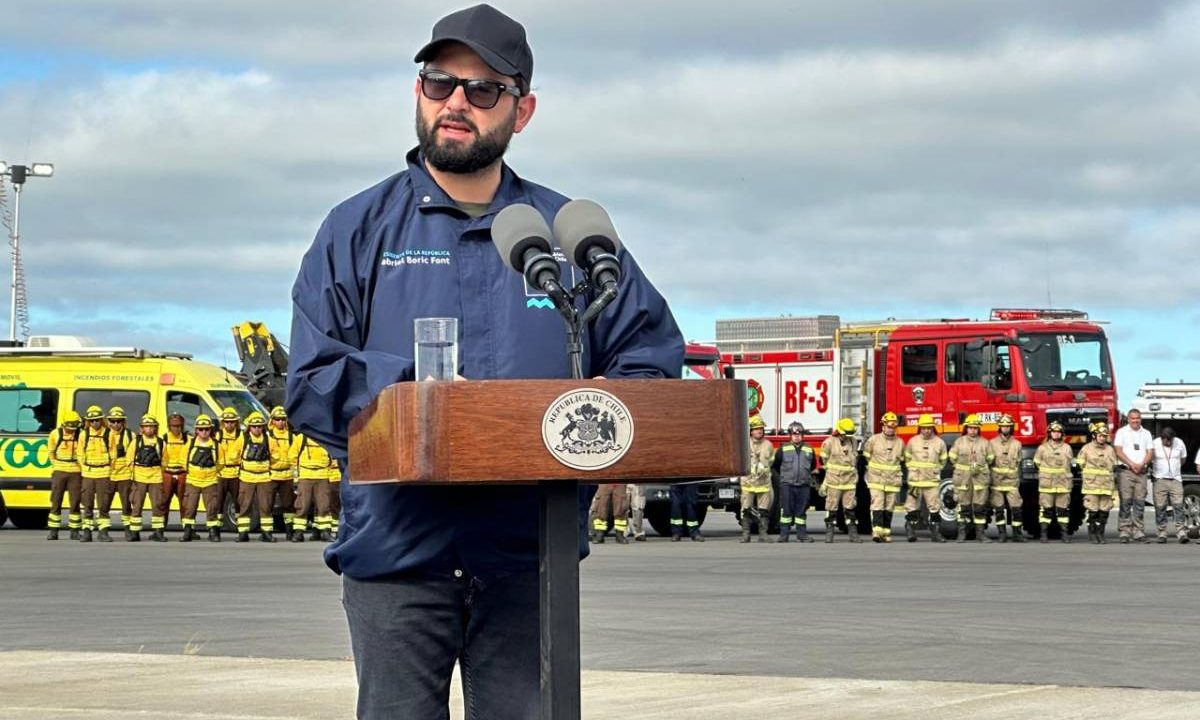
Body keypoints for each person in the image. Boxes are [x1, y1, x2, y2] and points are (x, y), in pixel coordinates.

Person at [285, 5, 683, 717]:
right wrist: (419, 399)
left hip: (530, 561)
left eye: (483, 89)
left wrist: (585, 417)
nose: (457, 103)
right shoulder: (356, 230)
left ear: (522, 110)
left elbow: (649, 359)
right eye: (440, 83)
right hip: (397, 562)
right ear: (418, 94)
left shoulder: (569, 235)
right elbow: (312, 383)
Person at [903, 414, 947, 542]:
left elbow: (943, 461)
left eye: (929, 428)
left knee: (934, 507)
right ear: (920, 428)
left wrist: (934, 471)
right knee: (912, 506)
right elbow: (907, 458)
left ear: (933, 428)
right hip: (915, 481)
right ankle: (910, 531)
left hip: (931, 481)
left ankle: (936, 533)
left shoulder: (940, 442)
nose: (927, 430)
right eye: (924, 428)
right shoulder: (913, 441)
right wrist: (913, 470)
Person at [949, 414, 993, 542]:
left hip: (979, 479)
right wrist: (962, 467)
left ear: (979, 429)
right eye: (970, 428)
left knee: (980, 508)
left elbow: (990, 459)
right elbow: (952, 457)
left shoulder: (985, 443)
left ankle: (981, 534)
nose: (973, 430)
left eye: (975, 428)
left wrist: (979, 466)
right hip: (963, 479)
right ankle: (962, 534)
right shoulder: (959, 442)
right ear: (966, 428)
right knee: (963, 507)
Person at [1114, 409, 1153, 543]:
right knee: (1125, 502)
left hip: (1141, 472)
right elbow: (1118, 451)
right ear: (1128, 419)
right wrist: (1131, 464)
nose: (1135, 421)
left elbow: (1150, 452)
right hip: (1126, 472)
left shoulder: (1146, 433)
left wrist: (1142, 464)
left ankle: (1138, 531)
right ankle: (1124, 531)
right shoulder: (1122, 432)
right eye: (1133, 418)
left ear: (1140, 419)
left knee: (1139, 503)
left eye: (1138, 418)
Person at [862, 413, 902, 543]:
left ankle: (886, 532)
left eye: (893, 427)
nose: (891, 429)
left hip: (892, 480)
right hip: (876, 480)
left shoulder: (900, 442)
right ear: (883, 426)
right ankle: (876, 532)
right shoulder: (874, 440)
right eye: (888, 426)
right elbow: (867, 456)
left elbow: (901, 459)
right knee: (877, 505)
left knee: (889, 507)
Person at [180, 414, 222, 542]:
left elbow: (221, 463)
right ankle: (188, 531)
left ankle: (213, 532)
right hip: (193, 480)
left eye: (207, 429)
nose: (204, 432)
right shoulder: (190, 443)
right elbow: (183, 461)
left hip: (210, 481)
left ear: (211, 430)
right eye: (201, 429)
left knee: (212, 508)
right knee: (190, 507)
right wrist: (194, 471)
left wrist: (210, 472)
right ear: (196, 430)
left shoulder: (216, 445)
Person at [236, 412, 275, 543]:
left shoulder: (269, 439)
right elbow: (235, 455)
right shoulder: (243, 438)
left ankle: (267, 532)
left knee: (265, 506)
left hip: (264, 478)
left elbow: (276, 456)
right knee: (245, 505)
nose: (257, 429)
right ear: (249, 427)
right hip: (247, 477)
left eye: (259, 426)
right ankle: (243, 533)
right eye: (254, 426)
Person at [773, 421, 816, 542]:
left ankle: (802, 535)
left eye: (799, 434)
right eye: (794, 434)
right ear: (790, 435)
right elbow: (776, 465)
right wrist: (785, 478)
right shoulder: (783, 449)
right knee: (786, 511)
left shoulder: (809, 449)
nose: (797, 436)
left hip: (804, 485)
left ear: (803, 435)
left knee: (801, 511)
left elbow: (812, 466)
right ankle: (784, 535)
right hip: (787, 485)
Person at [820, 417, 861, 543]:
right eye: (844, 434)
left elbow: (855, 458)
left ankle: (853, 534)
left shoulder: (853, 441)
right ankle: (829, 532)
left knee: (850, 508)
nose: (846, 437)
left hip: (849, 480)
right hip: (834, 480)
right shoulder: (829, 442)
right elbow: (824, 461)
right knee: (831, 507)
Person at [289, 432, 335, 543]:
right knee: (302, 506)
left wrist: (329, 474)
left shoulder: (326, 438)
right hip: (305, 476)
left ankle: (325, 532)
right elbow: (292, 457)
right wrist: (296, 478)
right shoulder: (302, 438)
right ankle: (298, 533)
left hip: (323, 476)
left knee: (324, 506)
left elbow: (333, 458)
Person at [1077, 422, 1118, 544]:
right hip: (1092, 486)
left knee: (1104, 513)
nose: (1102, 438)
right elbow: (1081, 464)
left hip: (1105, 486)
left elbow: (1114, 465)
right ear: (1094, 436)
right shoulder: (1086, 449)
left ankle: (1101, 533)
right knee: (1093, 512)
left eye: (1104, 436)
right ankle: (1092, 534)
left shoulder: (1110, 450)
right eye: (1100, 435)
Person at [1034, 421, 1075, 543]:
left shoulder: (1067, 448)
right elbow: (1036, 463)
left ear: (1062, 434)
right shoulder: (1042, 448)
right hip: (1047, 485)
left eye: (1058, 432)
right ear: (1049, 433)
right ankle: (1044, 534)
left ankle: (1064, 534)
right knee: (1046, 510)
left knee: (1063, 511)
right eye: (1054, 432)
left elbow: (1071, 464)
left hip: (1063, 484)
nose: (1056, 434)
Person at [45, 411, 83, 540]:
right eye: (69, 428)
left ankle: (75, 531)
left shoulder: (81, 434)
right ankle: (53, 531)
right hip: (60, 470)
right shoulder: (55, 434)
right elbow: (51, 452)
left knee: (75, 502)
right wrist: (56, 465)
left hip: (76, 471)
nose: (71, 430)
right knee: (56, 501)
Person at [78, 405, 112, 542]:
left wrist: (108, 468)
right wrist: (85, 467)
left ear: (101, 420)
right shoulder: (84, 435)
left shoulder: (109, 434)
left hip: (104, 473)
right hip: (88, 473)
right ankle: (87, 532)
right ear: (88, 422)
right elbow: (80, 454)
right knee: (87, 504)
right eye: (92, 421)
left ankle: (103, 532)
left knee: (103, 505)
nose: (95, 423)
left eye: (97, 420)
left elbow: (114, 454)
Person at [129, 415, 166, 541]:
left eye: (151, 427)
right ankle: (134, 532)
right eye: (146, 427)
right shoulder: (136, 442)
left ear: (155, 428)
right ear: (142, 428)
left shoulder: (161, 442)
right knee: (137, 505)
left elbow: (164, 462)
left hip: (155, 477)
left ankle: (158, 532)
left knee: (157, 505)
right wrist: (132, 477)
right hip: (139, 477)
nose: (149, 429)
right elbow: (129, 460)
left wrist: (158, 473)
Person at [988, 414, 1024, 542]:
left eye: (1008, 426)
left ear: (1011, 427)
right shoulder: (992, 443)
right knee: (999, 510)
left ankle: (1017, 534)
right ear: (999, 427)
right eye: (1003, 426)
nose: (1005, 428)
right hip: (996, 482)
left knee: (1017, 509)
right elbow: (989, 462)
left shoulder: (1017, 444)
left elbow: (1019, 462)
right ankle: (1001, 534)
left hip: (1012, 482)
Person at [741, 415, 776, 543]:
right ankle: (746, 534)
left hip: (763, 483)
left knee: (764, 510)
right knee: (746, 509)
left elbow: (771, 461)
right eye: (756, 429)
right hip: (748, 482)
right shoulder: (744, 444)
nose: (759, 431)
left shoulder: (768, 445)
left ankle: (763, 534)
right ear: (751, 431)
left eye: (761, 429)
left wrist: (764, 469)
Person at [1151, 427, 1188, 543]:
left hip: (1175, 479)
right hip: (1160, 479)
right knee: (1160, 507)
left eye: (1169, 441)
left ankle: (1181, 532)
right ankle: (1162, 533)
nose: (1167, 443)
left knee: (1178, 506)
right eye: (1165, 441)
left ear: (1173, 438)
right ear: (1161, 438)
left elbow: (1183, 459)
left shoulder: (1179, 443)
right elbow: (1150, 458)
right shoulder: (1155, 443)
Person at [106, 407, 136, 540]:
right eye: (113, 421)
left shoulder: (131, 435)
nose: (116, 424)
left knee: (126, 504)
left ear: (123, 422)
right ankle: (103, 531)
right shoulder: (104, 435)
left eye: (119, 421)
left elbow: (134, 455)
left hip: (124, 475)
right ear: (108, 422)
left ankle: (128, 529)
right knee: (104, 504)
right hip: (108, 475)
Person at [267, 406, 297, 539]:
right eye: (277, 419)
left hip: (287, 475)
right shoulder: (267, 436)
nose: (280, 422)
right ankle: (266, 531)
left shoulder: (292, 437)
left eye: (282, 419)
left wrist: (296, 476)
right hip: (271, 475)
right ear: (272, 421)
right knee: (267, 504)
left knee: (288, 505)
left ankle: (289, 530)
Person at [216, 407, 245, 531]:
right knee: (219, 502)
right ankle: (216, 528)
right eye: (226, 422)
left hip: (235, 473)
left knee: (238, 501)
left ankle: (240, 527)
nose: (229, 424)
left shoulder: (241, 436)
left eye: (232, 422)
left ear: (236, 423)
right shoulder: (219, 435)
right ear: (223, 423)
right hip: (221, 474)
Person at [160, 413, 189, 532]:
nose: (176, 428)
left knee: (185, 503)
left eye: (178, 426)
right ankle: (161, 528)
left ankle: (187, 529)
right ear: (169, 426)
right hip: (168, 473)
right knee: (164, 502)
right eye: (173, 426)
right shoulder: (164, 439)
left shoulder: (188, 439)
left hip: (183, 473)